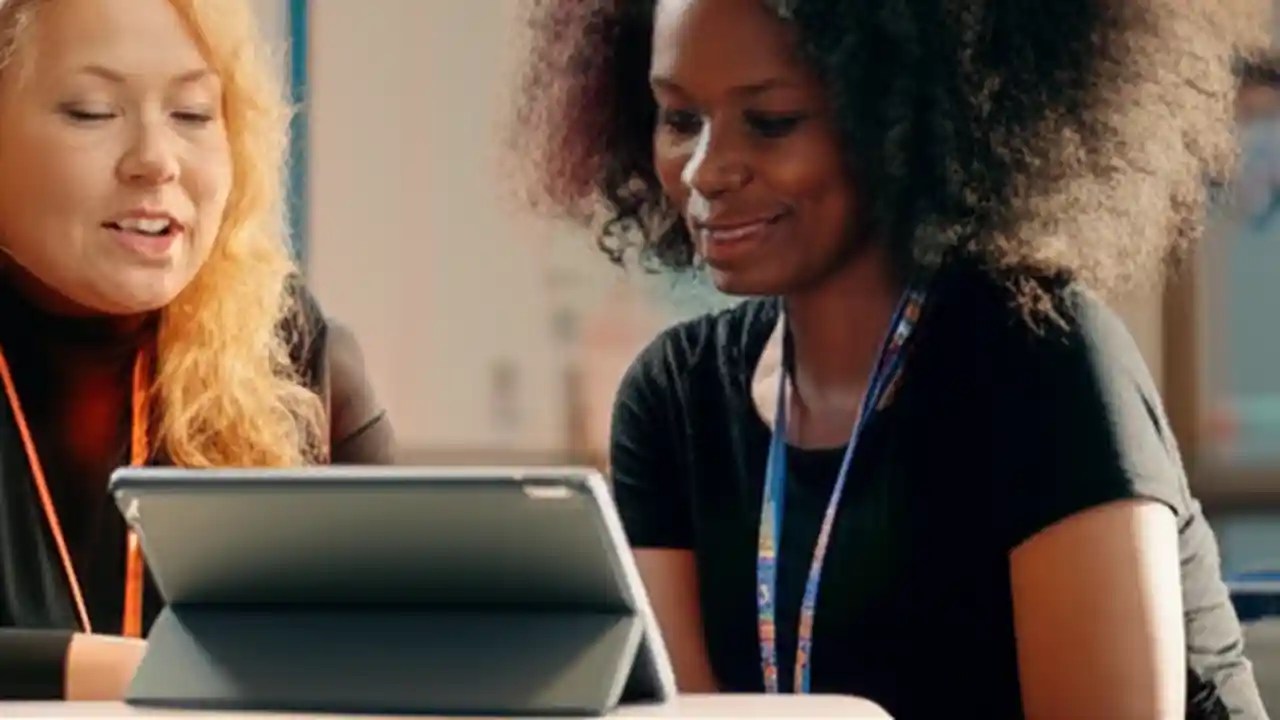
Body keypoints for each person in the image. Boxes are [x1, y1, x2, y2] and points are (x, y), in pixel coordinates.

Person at [512, 0, 1271, 717]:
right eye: (681, 118)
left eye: (771, 122)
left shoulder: (1043, 363)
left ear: (902, 118)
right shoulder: (673, 403)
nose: (708, 170)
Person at [0, 0, 395, 702]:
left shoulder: (288, 344)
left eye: (192, 114)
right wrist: (139, 675)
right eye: (92, 112)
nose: (156, 162)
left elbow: (423, 632)